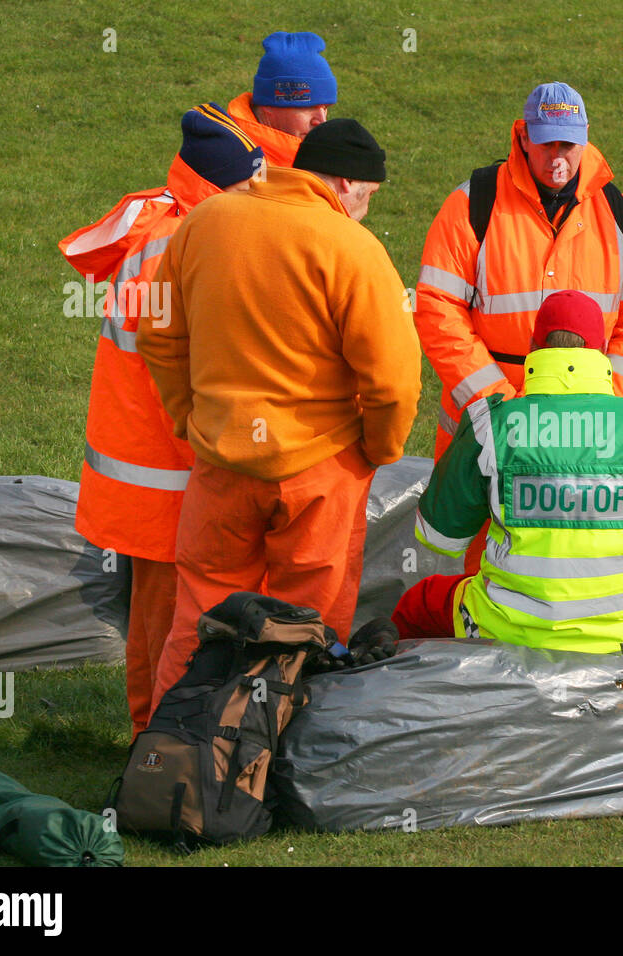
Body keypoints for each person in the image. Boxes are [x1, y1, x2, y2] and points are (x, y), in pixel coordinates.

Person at [138, 118, 421, 714]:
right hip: (320, 471)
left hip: (219, 465)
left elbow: (159, 337)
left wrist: (191, 419)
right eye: (369, 195)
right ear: (346, 183)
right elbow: (393, 381)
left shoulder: (205, 222)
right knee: (304, 627)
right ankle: (279, 764)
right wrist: (379, 448)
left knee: (200, 617)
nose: (366, 207)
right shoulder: (350, 247)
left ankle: (165, 752)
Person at [58, 103, 265, 737]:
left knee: (154, 624)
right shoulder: (187, 250)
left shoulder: (160, 234)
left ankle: (151, 746)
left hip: (145, 478)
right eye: (247, 182)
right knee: (179, 625)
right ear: (214, 187)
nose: (261, 191)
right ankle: (166, 752)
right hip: (175, 478)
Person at [392, 291, 623, 653]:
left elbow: (440, 535)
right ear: (602, 350)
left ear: (532, 346)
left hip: (512, 625)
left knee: (421, 604)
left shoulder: (490, 424)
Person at [416, 81, 623, 461]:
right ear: (523, 137)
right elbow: (438, 310)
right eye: (546, 144)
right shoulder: (471, 206)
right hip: (486, 428)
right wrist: (498, 403)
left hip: (585, 431)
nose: (557, 158)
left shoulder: (620, 216)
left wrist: (606, 399)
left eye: (566, 146)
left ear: (584, 139)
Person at [226, 31, 337, 167]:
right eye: (308, 108)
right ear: (268, 106)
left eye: (325, 108)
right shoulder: (233, 163)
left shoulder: (314, 156)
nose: (321, 121)